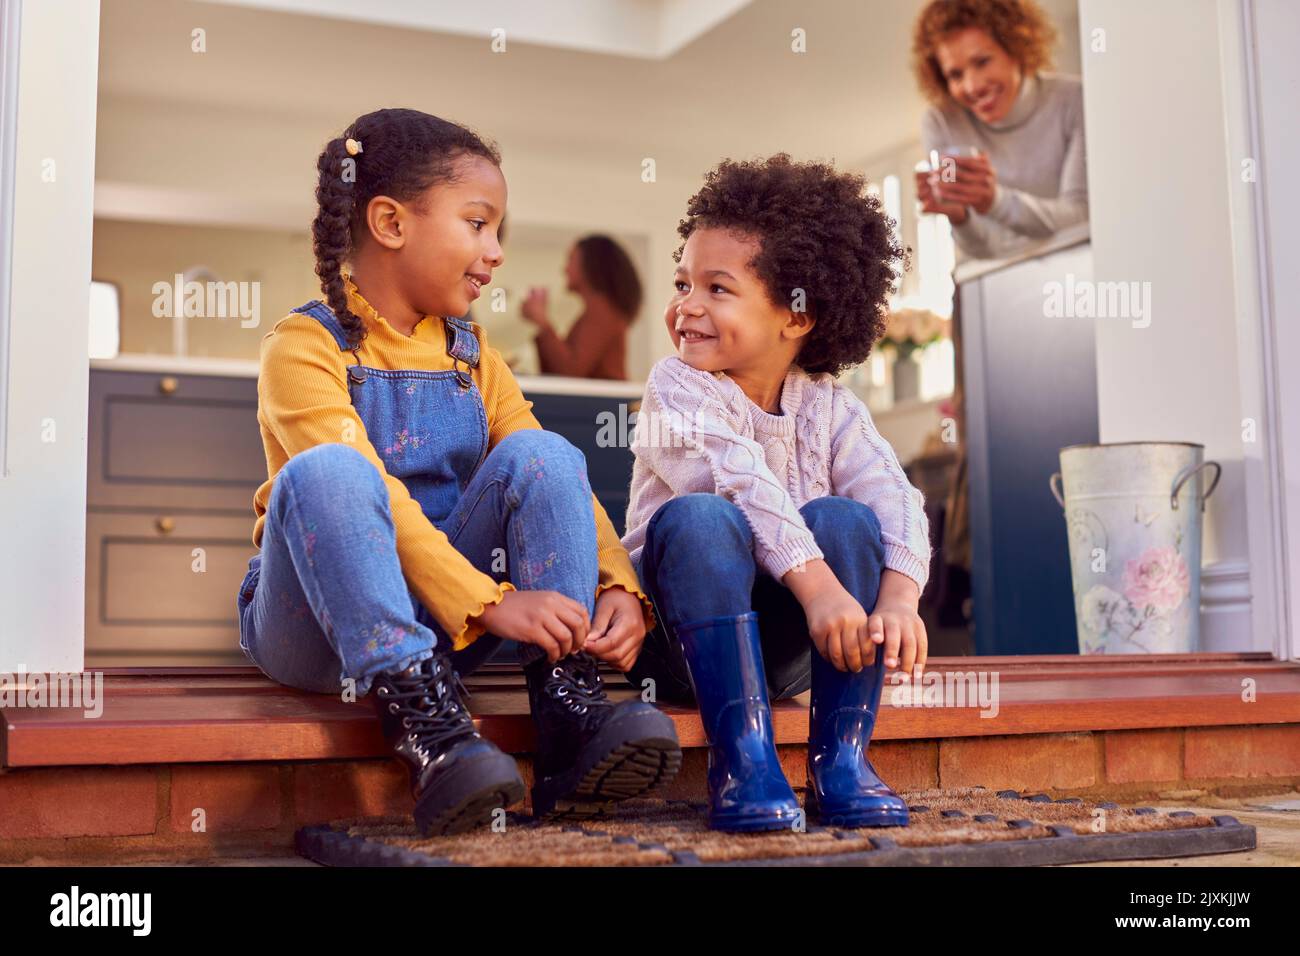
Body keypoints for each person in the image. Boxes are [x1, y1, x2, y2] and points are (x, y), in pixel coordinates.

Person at [236, 109, 680, 836]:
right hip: (316, 630)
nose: (496, 251)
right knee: (331, 474)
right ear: (389, 222)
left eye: (497, 229)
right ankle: (432, 738)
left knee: (546, 454)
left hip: (449, 623)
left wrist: (617, 585)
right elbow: (372, 494)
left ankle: (569, 716)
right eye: (478, 223)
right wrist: (486, 602)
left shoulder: (477, 361)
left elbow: (552, 475)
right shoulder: (302, 348)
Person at [621, 154, 932, 831]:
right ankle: (744, 761)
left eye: (717, 289)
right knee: (703, 518)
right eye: (683, 283)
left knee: (847, 519)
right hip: (676, 641)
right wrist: (820, 590)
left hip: (787, 648)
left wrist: (901, 600)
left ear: (797, 316)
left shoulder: (829, 406)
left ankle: (843, 759)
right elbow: (740, 484)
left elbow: (897, 496)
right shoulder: (676, 387)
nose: (687, 306)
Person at [911, 0, 1087, 260]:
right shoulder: (942, 123)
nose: (972, 86)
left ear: (1016, 48)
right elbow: (982, 252)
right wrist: (959, 217)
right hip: (988, 282)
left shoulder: (1074, 100)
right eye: (955, 75)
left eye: (982, 61)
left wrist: (994, 201)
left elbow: (1081, 219)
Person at [521, 235, 641, 380]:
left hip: (606, 402)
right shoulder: (600, 312)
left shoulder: (603, 314)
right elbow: (557, 374)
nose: (564, 269)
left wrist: (542, 322)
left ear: (590, 265)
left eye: (570, 259)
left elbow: (570, 371)